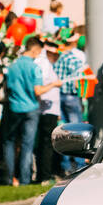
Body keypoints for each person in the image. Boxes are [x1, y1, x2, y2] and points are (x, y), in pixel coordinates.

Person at [0, 36, 60, 186]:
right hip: (31, 109)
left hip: (14, 107)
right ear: (35, 50)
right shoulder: (34, 68)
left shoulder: (12, 66)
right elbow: (38, 90)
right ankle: (25, 180)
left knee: (9, 142)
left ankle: (8, 179)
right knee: (27, 145)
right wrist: (53, 84)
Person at [54, 31, 89, 174]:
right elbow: (77, 82)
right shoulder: (74, 59)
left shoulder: (59, 57)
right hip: (71, 97)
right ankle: (80, 163)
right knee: (77, 131)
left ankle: (66, 164)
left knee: (63, 132)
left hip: (59, 95)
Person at [35, 37, 63, 182]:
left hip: (48, 109)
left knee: (44, 143)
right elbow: (41, 86)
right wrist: (55, 84)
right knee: (46, 144)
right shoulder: (44, 64)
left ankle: (44, 174)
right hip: (46, 109)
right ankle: (44, 175)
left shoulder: (45, 63)